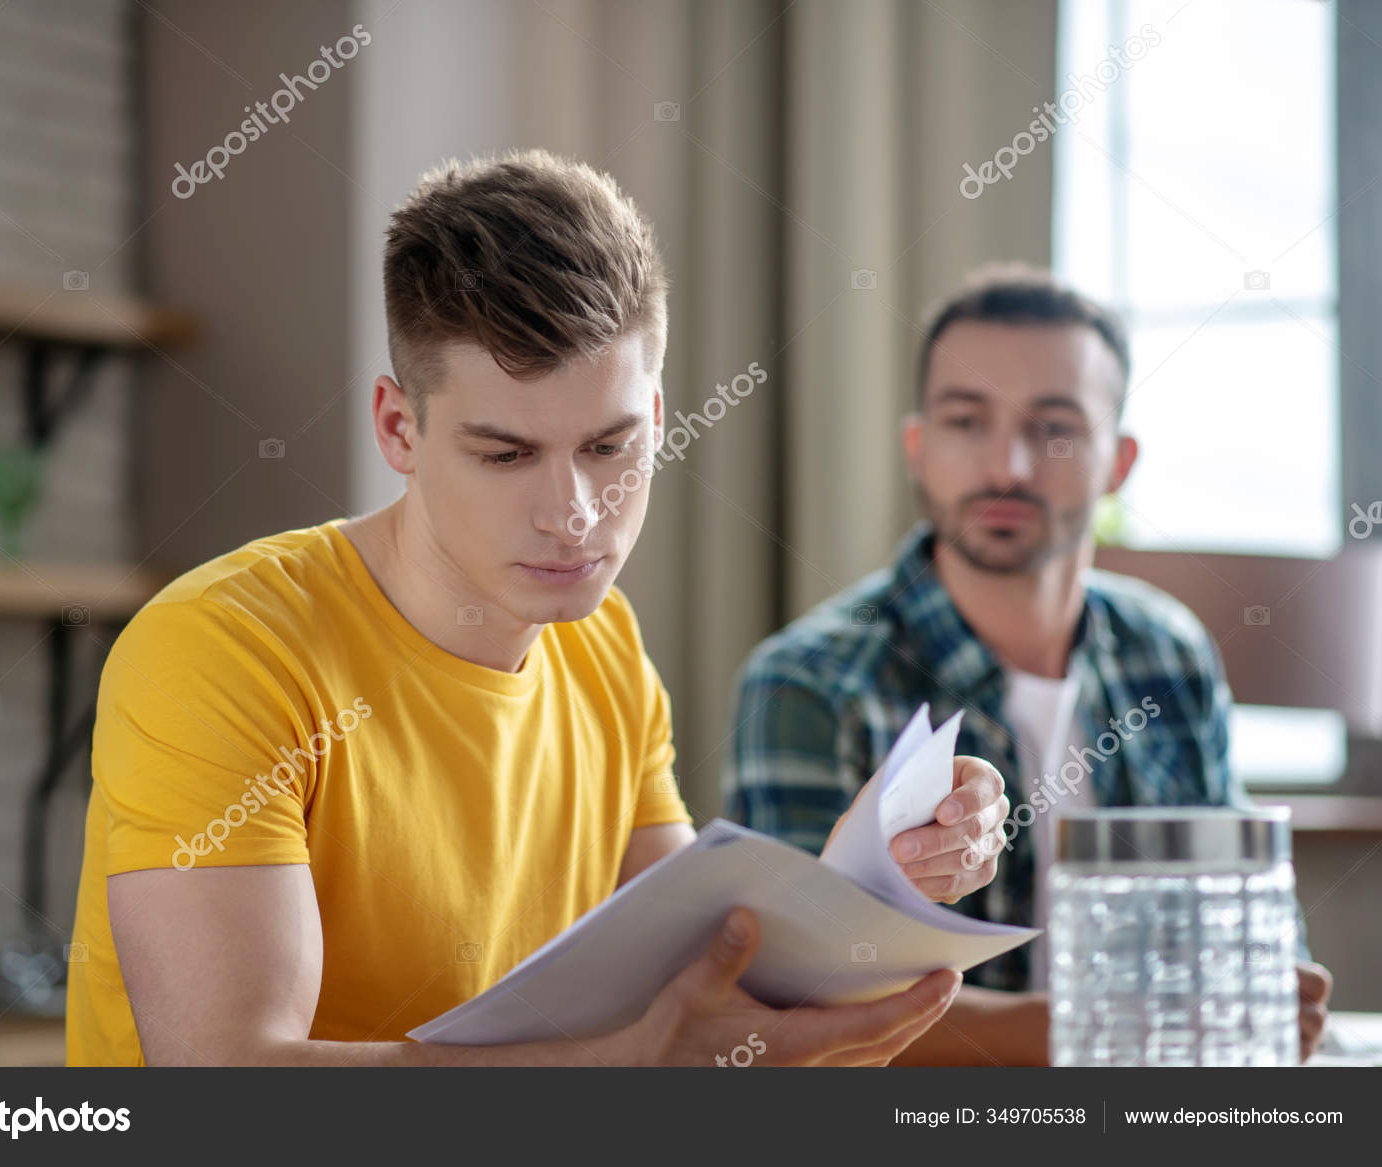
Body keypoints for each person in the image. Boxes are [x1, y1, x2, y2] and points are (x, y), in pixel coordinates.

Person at [65, 150, 1010, 1066]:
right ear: (400, 427)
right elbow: (228, 1080)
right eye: (507, 454)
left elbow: (696, 989)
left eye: (610, 446)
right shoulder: (222, 650)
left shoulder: (603, 646)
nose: (574, 515)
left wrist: (870, 878)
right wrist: (623, 1074)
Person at [725, 265, 1333, 1064]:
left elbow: (1247, 921)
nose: (1007, 464)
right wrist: (1126, 1024)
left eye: (1053, 427)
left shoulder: (1170, 652)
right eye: (966, 421)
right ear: (919, 447)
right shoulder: (808, 679)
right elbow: (801, 1003)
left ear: (1117, 461)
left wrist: (1269, 989)